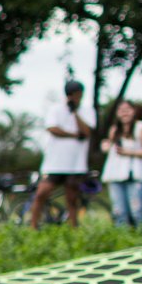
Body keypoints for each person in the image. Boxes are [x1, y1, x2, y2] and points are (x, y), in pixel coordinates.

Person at [28, 79, 94, 228]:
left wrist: (75, 112)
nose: (75, 97)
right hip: (54, 163)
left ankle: (73, 228)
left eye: (78, 94)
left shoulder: (87, 110)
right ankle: (33, 227)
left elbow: (86, 132)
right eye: (72, 94)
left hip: (76, 164)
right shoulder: (55, 109)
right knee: (41, 193)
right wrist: (73, 135)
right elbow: (52, 129)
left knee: (72, 198)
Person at [98, 97, 142, 232]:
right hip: (116, 176)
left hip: (136, 175)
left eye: (127, 109)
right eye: (121, 110)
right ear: (117, 113)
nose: (124, 112)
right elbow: (109, 148)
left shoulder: (141, 127)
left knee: (137, 213)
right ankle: (123, 241)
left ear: (133, 111)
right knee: (119, 213)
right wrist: (105, 146)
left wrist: (129, 152)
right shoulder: (114, 130)